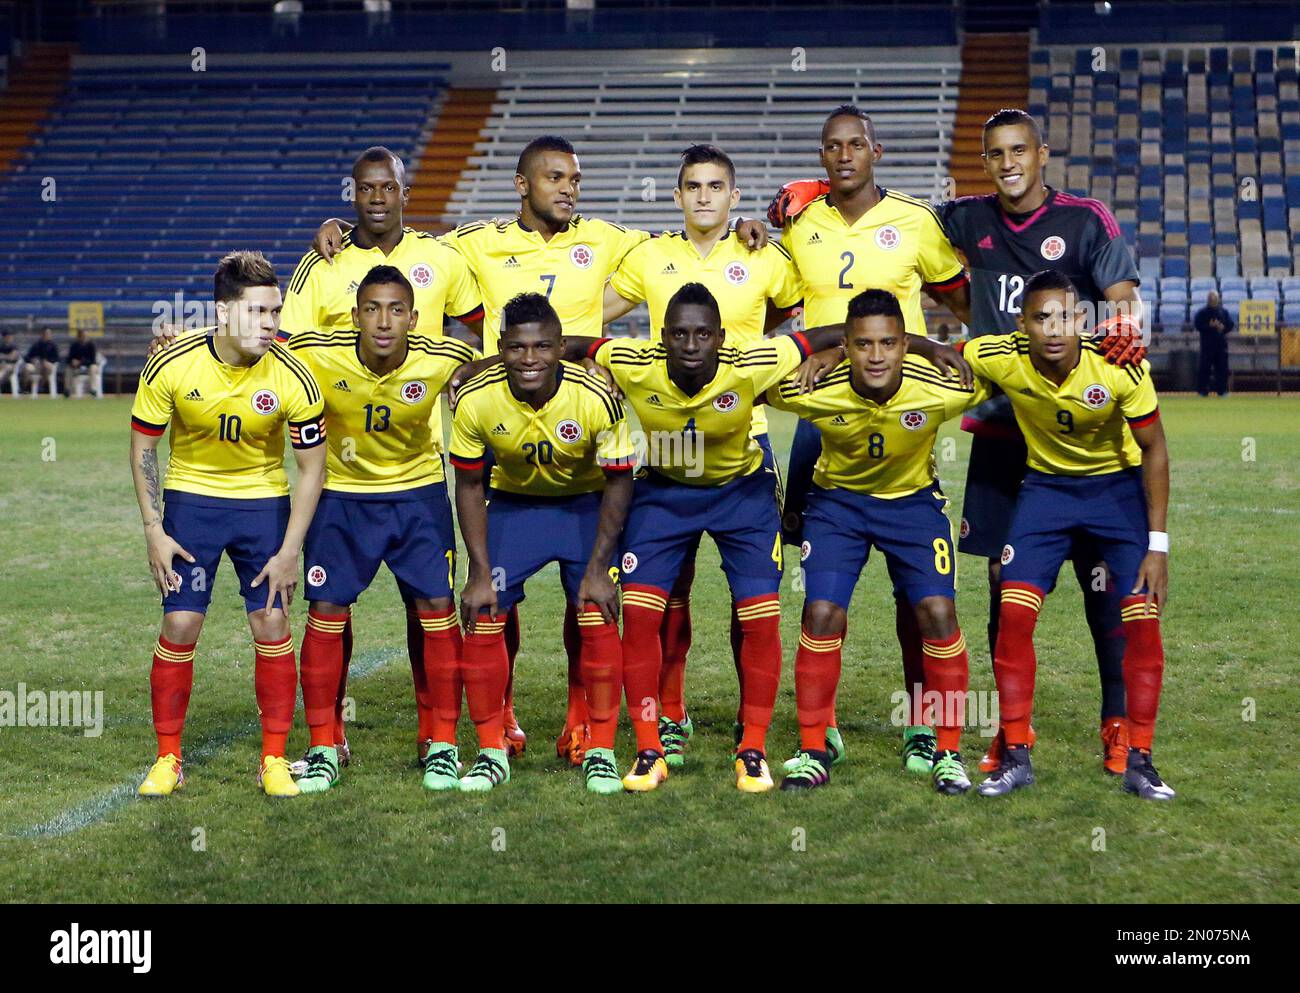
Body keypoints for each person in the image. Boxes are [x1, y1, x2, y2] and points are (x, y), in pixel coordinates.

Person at [310, 135, 770, 765]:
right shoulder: (474, 242)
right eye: (555, 178)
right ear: (522, 184)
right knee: (502, 587)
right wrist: (343, 227)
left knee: (595, 592)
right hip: (505, 426)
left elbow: (689, 247)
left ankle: (585, 718)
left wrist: (745, 223)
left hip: (583, 425)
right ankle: (506, 718)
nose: (568, 189)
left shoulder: (609, 238)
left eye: (575, 179)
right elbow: (401, 248)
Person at [767, 106, 1149, 776]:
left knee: (1100, 587)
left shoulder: (1085, 219)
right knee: (1003, 581)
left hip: (1066, 421)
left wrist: (1123, 321)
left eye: (1018, 152)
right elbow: (861, 193)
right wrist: (807, 193)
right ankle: (1005, 731)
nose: (1008, 165)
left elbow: (1121, 298)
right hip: (968, 420)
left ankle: (1114, 725)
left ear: (1041, 153)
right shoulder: (962, 217)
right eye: (995, 154)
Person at [562, 282, 849, 793]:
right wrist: (481, 367)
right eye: (678, 334)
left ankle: (753, 747)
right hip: (665, 495)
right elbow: (569, 343)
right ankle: (650, 746)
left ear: (720, 337)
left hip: (742, 494)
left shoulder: (755, 359)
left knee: (759, 616)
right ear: (661, 337)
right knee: (642, 616)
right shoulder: (632, 361)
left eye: (701, 334)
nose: (690, 345)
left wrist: (834, 353)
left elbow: (840, 330)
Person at [772, 103, 974, 776]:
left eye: (856, 144)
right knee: (817, 577)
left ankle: (927, 724)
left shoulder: (916, 221)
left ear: (876, 151)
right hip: (823, 409)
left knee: (917, 598)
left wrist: (927, 347)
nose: (844, 155)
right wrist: (752, 234)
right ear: (822, 155)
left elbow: (963, 299)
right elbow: (771, 303)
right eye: (832, 146)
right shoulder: (802, 224)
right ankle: (816, 730)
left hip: (906, 406)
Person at [280, 145, 484, 771]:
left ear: (403, 191)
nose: (375, 199)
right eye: (364, 190)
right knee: (327, 608)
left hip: (419, 486)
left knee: (431, 606)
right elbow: (280, 348)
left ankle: (439, 735)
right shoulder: (323, 261)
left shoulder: (441, 257)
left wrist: (462, 378)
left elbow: (478, 333)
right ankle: (326, 736)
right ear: (352, 196)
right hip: (340, 488)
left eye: (386, 188)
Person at [599, 143, 803, 765]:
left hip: (748, 433)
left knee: (753, 597)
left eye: (717, 186)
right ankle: (671, 710)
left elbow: (801, 316)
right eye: (694, 186)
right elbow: (592, 309)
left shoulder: (762, 253)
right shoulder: (651, 256)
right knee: (669, 589)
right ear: (678, 194)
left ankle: (754, 724)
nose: (705, 196)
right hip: (670, 441)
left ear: (735, 196)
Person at [766, 289, 990, 795]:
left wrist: (936, 349)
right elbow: (743, 380)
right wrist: (814, 354)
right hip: (837, 506)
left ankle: (948, 751)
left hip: (913, 506)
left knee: (936, 611)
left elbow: (1009, 365)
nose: (876, 355)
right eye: (862, 344)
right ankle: (813, 748)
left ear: (904, 345)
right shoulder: (813, 387)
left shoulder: (941, 387)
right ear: (845, 345)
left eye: (889, 343)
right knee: (821, 613)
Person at [961, 271, 1174, 801]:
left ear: (1082, 319)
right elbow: (939, 352)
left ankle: (1141, 760)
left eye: (1064, 317)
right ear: (1022, 325)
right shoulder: (997, 354)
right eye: (1040, 318)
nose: (1053, 329)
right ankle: (1014, 751)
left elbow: (1155, 450)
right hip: (1046, 492)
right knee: (1012, 610)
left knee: (1141, 619)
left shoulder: (1120, 365)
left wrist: (1158, 546)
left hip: (1116, 493)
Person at [130, 251, 327, 798]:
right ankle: (168, 757)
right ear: (223, 313)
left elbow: (312, 470)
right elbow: (144, 445)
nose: (271, 324)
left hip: (264, 504)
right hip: (191, 503)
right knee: (180, 626)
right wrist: (153, 527)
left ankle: (274, 758)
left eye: (275, 312)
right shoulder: (171, 362)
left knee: (271, 625)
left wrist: (290, 550)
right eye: (259, 312)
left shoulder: (294, 376)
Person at [448, 292, 636, 794]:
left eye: (542, 347)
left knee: (596, 611)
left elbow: (620, 481)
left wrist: (599, 567)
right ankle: (491, 750)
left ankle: (599, 749)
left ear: (559, 348)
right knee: (485, 612)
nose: (529, 359)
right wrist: (478, 571)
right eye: (516, 347)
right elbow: (468, 484)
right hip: (516, 508)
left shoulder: (596, 396)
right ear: (501, 348)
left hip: (585, 508)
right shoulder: (475, 397)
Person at [1193, 290, 1232, 396]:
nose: (1213, 301)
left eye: (1214, 299)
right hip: (1207, 345)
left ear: (1218, 299)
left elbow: (1230, 325)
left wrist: (1222, 327)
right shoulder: (1202, 313)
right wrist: (1209, 326)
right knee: (1204, 369)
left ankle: (1222, 391)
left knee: (1222, 369)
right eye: (1211, 299)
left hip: (1221, 345)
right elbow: (1198, 325)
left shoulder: (1224, 312)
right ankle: (1202, 391)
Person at [64, 329, 100, 397]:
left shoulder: (91, 345)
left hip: (89, 365)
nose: (84, 338)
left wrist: (81, 362)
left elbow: (93, 360)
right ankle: (68, 390)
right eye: (82, 336)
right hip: (77, 367)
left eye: (86, 336)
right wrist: (72, 362)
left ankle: (93, 389)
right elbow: (69, 359)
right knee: (68, 369)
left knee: (93, 368)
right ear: (79, 337)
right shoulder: (74, 346)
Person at [24, 327, 59, 393]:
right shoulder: (37, 344)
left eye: (49, 333)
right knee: (27, 368)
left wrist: (49, 362)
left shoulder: (53, 345)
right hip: (36, 366)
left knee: (48, 368)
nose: (48, 335)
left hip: (47, 366)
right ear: (42, 334)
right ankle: (25, 387)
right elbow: (27, 357)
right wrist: (32, 360)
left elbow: (56, 358)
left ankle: (41, 386)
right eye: (46, 333)